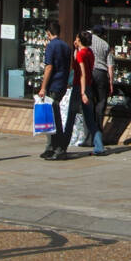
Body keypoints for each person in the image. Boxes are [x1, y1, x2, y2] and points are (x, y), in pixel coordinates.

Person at [58, 30, 105, 156]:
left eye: (77, 38)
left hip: (80, 87)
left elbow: (82, 74)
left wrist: (82, 92)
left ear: (79, 40)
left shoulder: (81, 54)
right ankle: (99, 146)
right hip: (89, 86)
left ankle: (63, 146)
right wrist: (76, 48)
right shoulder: (89, 52)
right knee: (90, 119)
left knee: (71, 117)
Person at [37, 19, 72, 160]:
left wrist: (43, 87)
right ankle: (51, 147)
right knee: (53, 116)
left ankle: (58, 147)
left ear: (48, 33)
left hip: (53, 85)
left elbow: (49, 67)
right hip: (62, 84)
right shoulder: (66, 46)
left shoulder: (51, 46)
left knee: (53, 118)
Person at [86, 28, 114, 145]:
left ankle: (89, 137)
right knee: (101, 103)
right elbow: (110, 66)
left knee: (89, 104)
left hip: (89, 72)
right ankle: (98, 133)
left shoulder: (88, 41)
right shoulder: (105, 45)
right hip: (102, 73)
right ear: (102, 34)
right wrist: (111, 82)